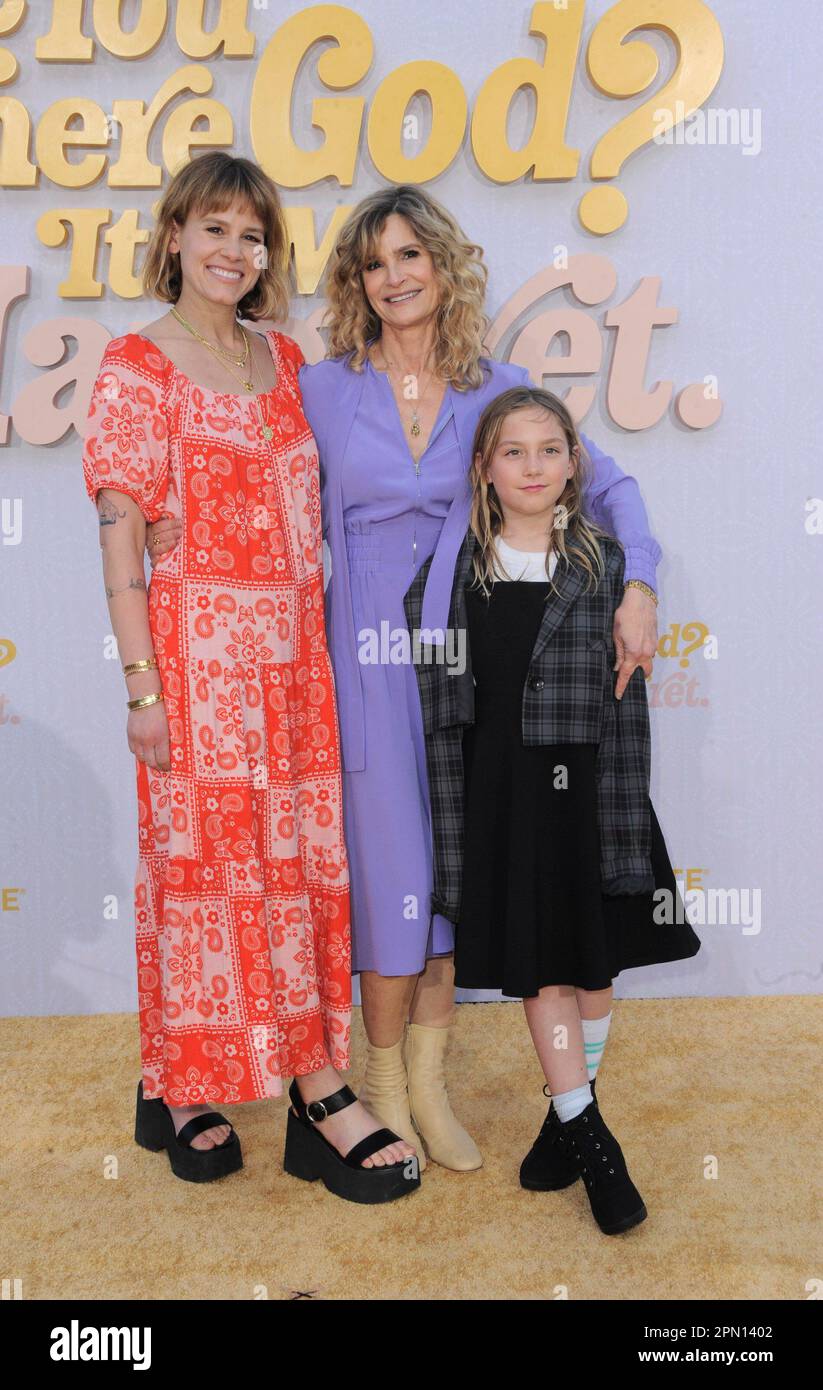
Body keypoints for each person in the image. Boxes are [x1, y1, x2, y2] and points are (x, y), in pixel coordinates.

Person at [145, 184, 663, 1175]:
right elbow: (238, 456)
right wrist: (162, 515)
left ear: (442, 266)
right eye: (375, 261)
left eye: (410, 256)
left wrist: (637, 581)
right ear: (356, 279)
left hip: (472, 674)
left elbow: (611, 484)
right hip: (360, 672)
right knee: (390, 887)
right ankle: (378, 1087)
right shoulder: (322, 385)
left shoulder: (497, 386)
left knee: (450, 886)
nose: (394, 277)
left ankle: (429, 1086)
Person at [82, 151, 419, 1202]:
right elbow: (121, 540)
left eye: (253, 235)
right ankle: (181, 1081)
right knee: (201, 871)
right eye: (214, 228)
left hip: (293, 666)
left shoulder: (286, 359)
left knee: (299, 871)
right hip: (194, 662)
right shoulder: (135, 365)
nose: (235, 251)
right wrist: (144, 689)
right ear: (174, 236)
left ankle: (315, 1084)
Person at [403, 384, 701, 1232]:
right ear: (483, 471)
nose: (531, 467)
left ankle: (556, 1119)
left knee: (594, 966)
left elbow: (625, 695)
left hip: (591, 792)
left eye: (548, 450)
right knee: (545, 972)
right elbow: (430, 667)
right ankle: (592, 1141)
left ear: (574, 467)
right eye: (511, 452)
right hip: (505, 796)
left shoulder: (605, 564)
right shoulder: (455, 570)